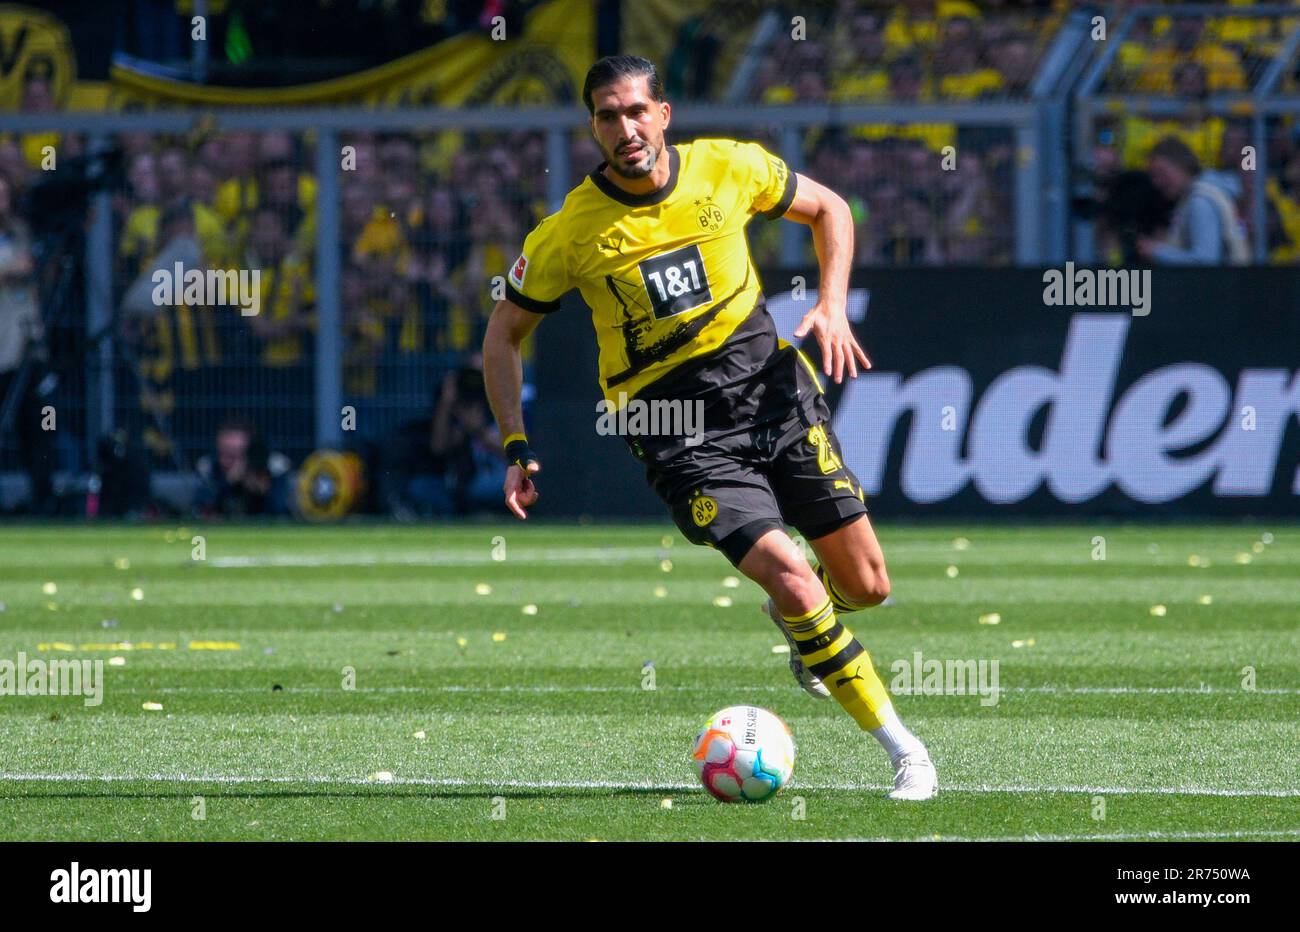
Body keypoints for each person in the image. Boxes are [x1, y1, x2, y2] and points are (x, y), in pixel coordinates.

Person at [481, 56, 936, 800]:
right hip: (677, 427)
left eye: (635, 111)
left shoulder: (730, 167)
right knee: (792, 574)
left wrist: (832, 302)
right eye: (606, 116)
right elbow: (502, 336)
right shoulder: (569, 232)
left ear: (663, 114)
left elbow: (831, 210)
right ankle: (905, 751)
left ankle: (804, 626)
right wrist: (515, 443)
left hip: (771, 391)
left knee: (867, 586)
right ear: (592, 128)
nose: (623, 128)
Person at [1140, 136, 1250, 265]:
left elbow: (1205, 263)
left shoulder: (1200, 202)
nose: (1157, 183)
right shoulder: (1202, 194)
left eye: (1161, 172)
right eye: (1153, 176)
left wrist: (1156, 251)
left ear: (1181, 164)